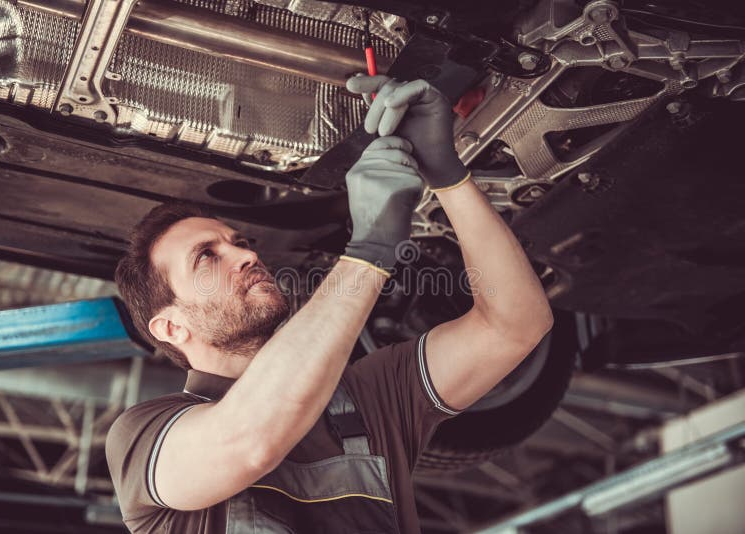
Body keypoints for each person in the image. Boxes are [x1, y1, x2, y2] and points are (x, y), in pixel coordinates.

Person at [105, 75, 553, 533]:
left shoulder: (370, 396)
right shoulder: (144, 435)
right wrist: (368, 251)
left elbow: (515, 325)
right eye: (207, 257)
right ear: (171, 327)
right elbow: (249, 441)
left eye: (239, 242)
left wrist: (447, 175)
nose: (247, 255)